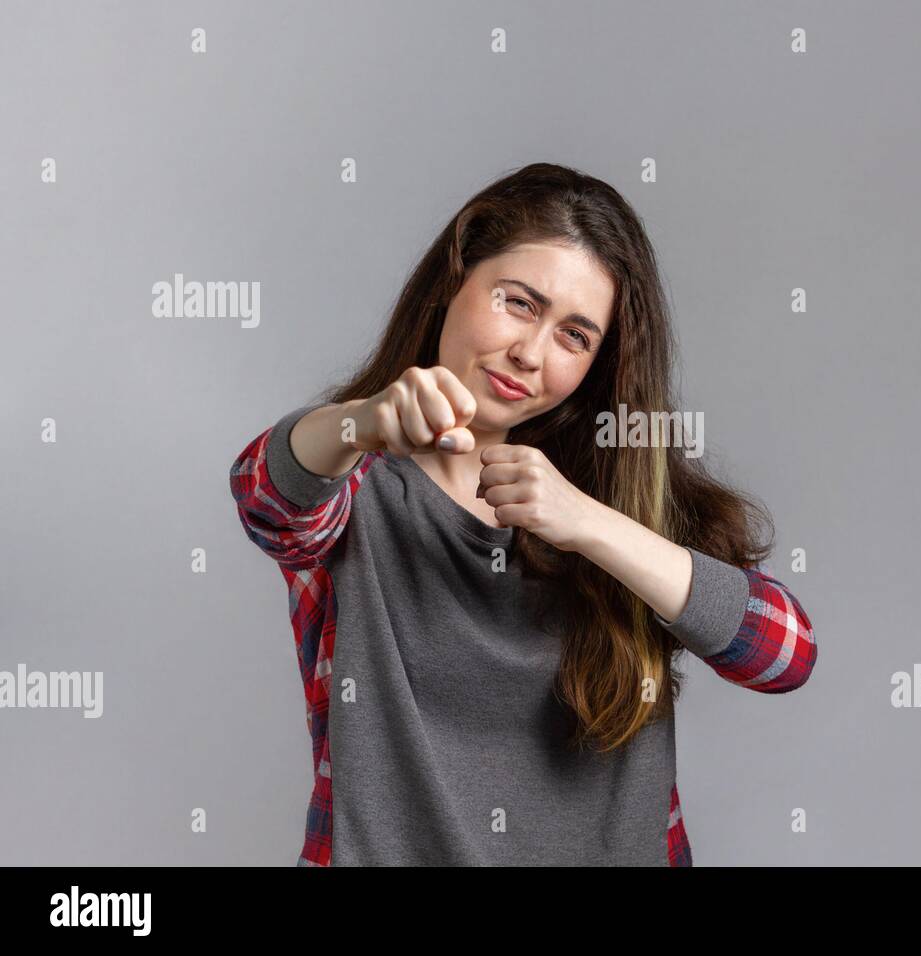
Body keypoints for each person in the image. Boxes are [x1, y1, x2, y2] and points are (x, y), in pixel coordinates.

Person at [228, 162, 817, 866]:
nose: (530, 354)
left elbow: (785, 656)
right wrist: (362, 422)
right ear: (458, 278)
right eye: (518, 302)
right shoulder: (354, 489)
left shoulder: (616, 503)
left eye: (575, 336)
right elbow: (266, 496)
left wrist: (590, 524)